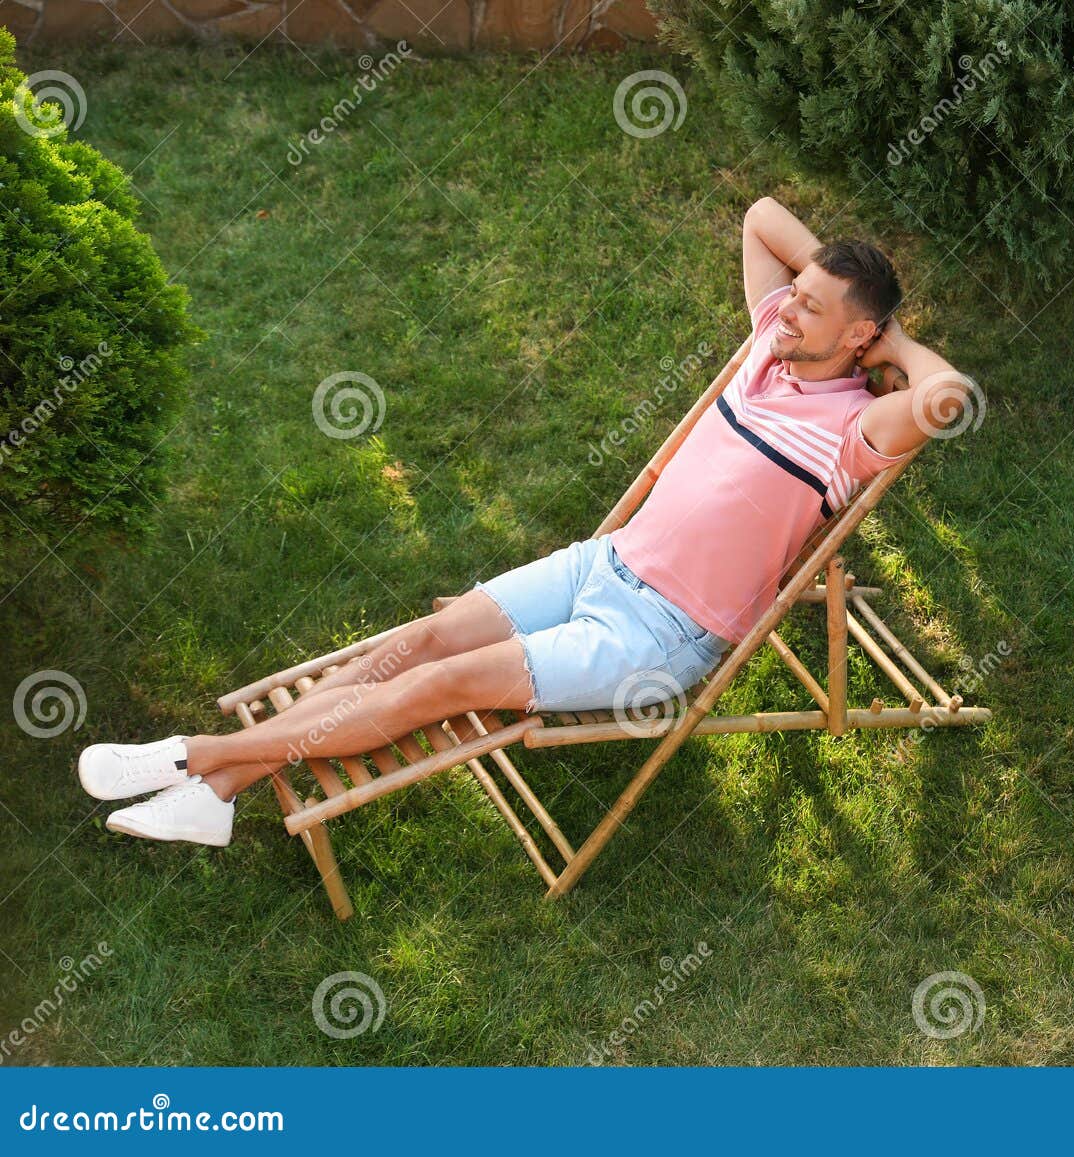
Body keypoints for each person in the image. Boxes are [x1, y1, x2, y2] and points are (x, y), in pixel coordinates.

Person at [77, 197, 970, 847]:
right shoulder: (769, 343)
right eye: (797, 294)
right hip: (603, 563)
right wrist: (829, 286)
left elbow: (947, 397)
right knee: (420, 642)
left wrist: (891, 344)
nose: (790, 310)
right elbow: (763, 215)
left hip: (662, 633)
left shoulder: (852, 430)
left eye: (815, 309)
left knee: (439, 685)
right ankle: (220, 789)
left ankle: (198, 756)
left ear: (859, 340)